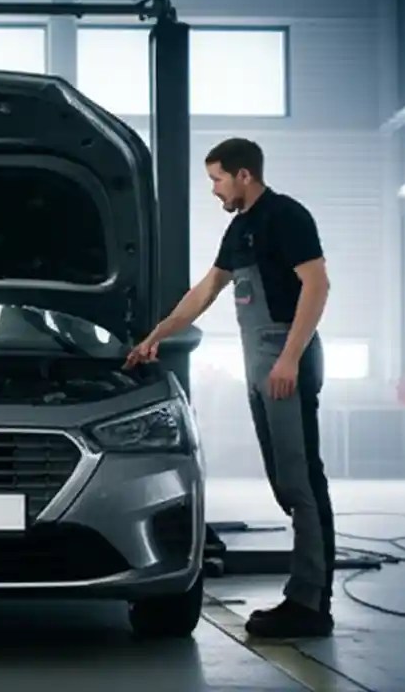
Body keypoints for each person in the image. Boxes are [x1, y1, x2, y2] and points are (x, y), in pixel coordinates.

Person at [125, 138, 335, 638]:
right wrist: (156, 335)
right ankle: (303, 595)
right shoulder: (240, 229)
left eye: (218, 179)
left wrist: (289, 358)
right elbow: (205, 291)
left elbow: (317, 284)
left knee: (303, 481)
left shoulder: (286, 216)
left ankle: (310, 603)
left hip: (286, 356)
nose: (214, 189)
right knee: (285, 481)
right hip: (258, 360)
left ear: (244, 175)